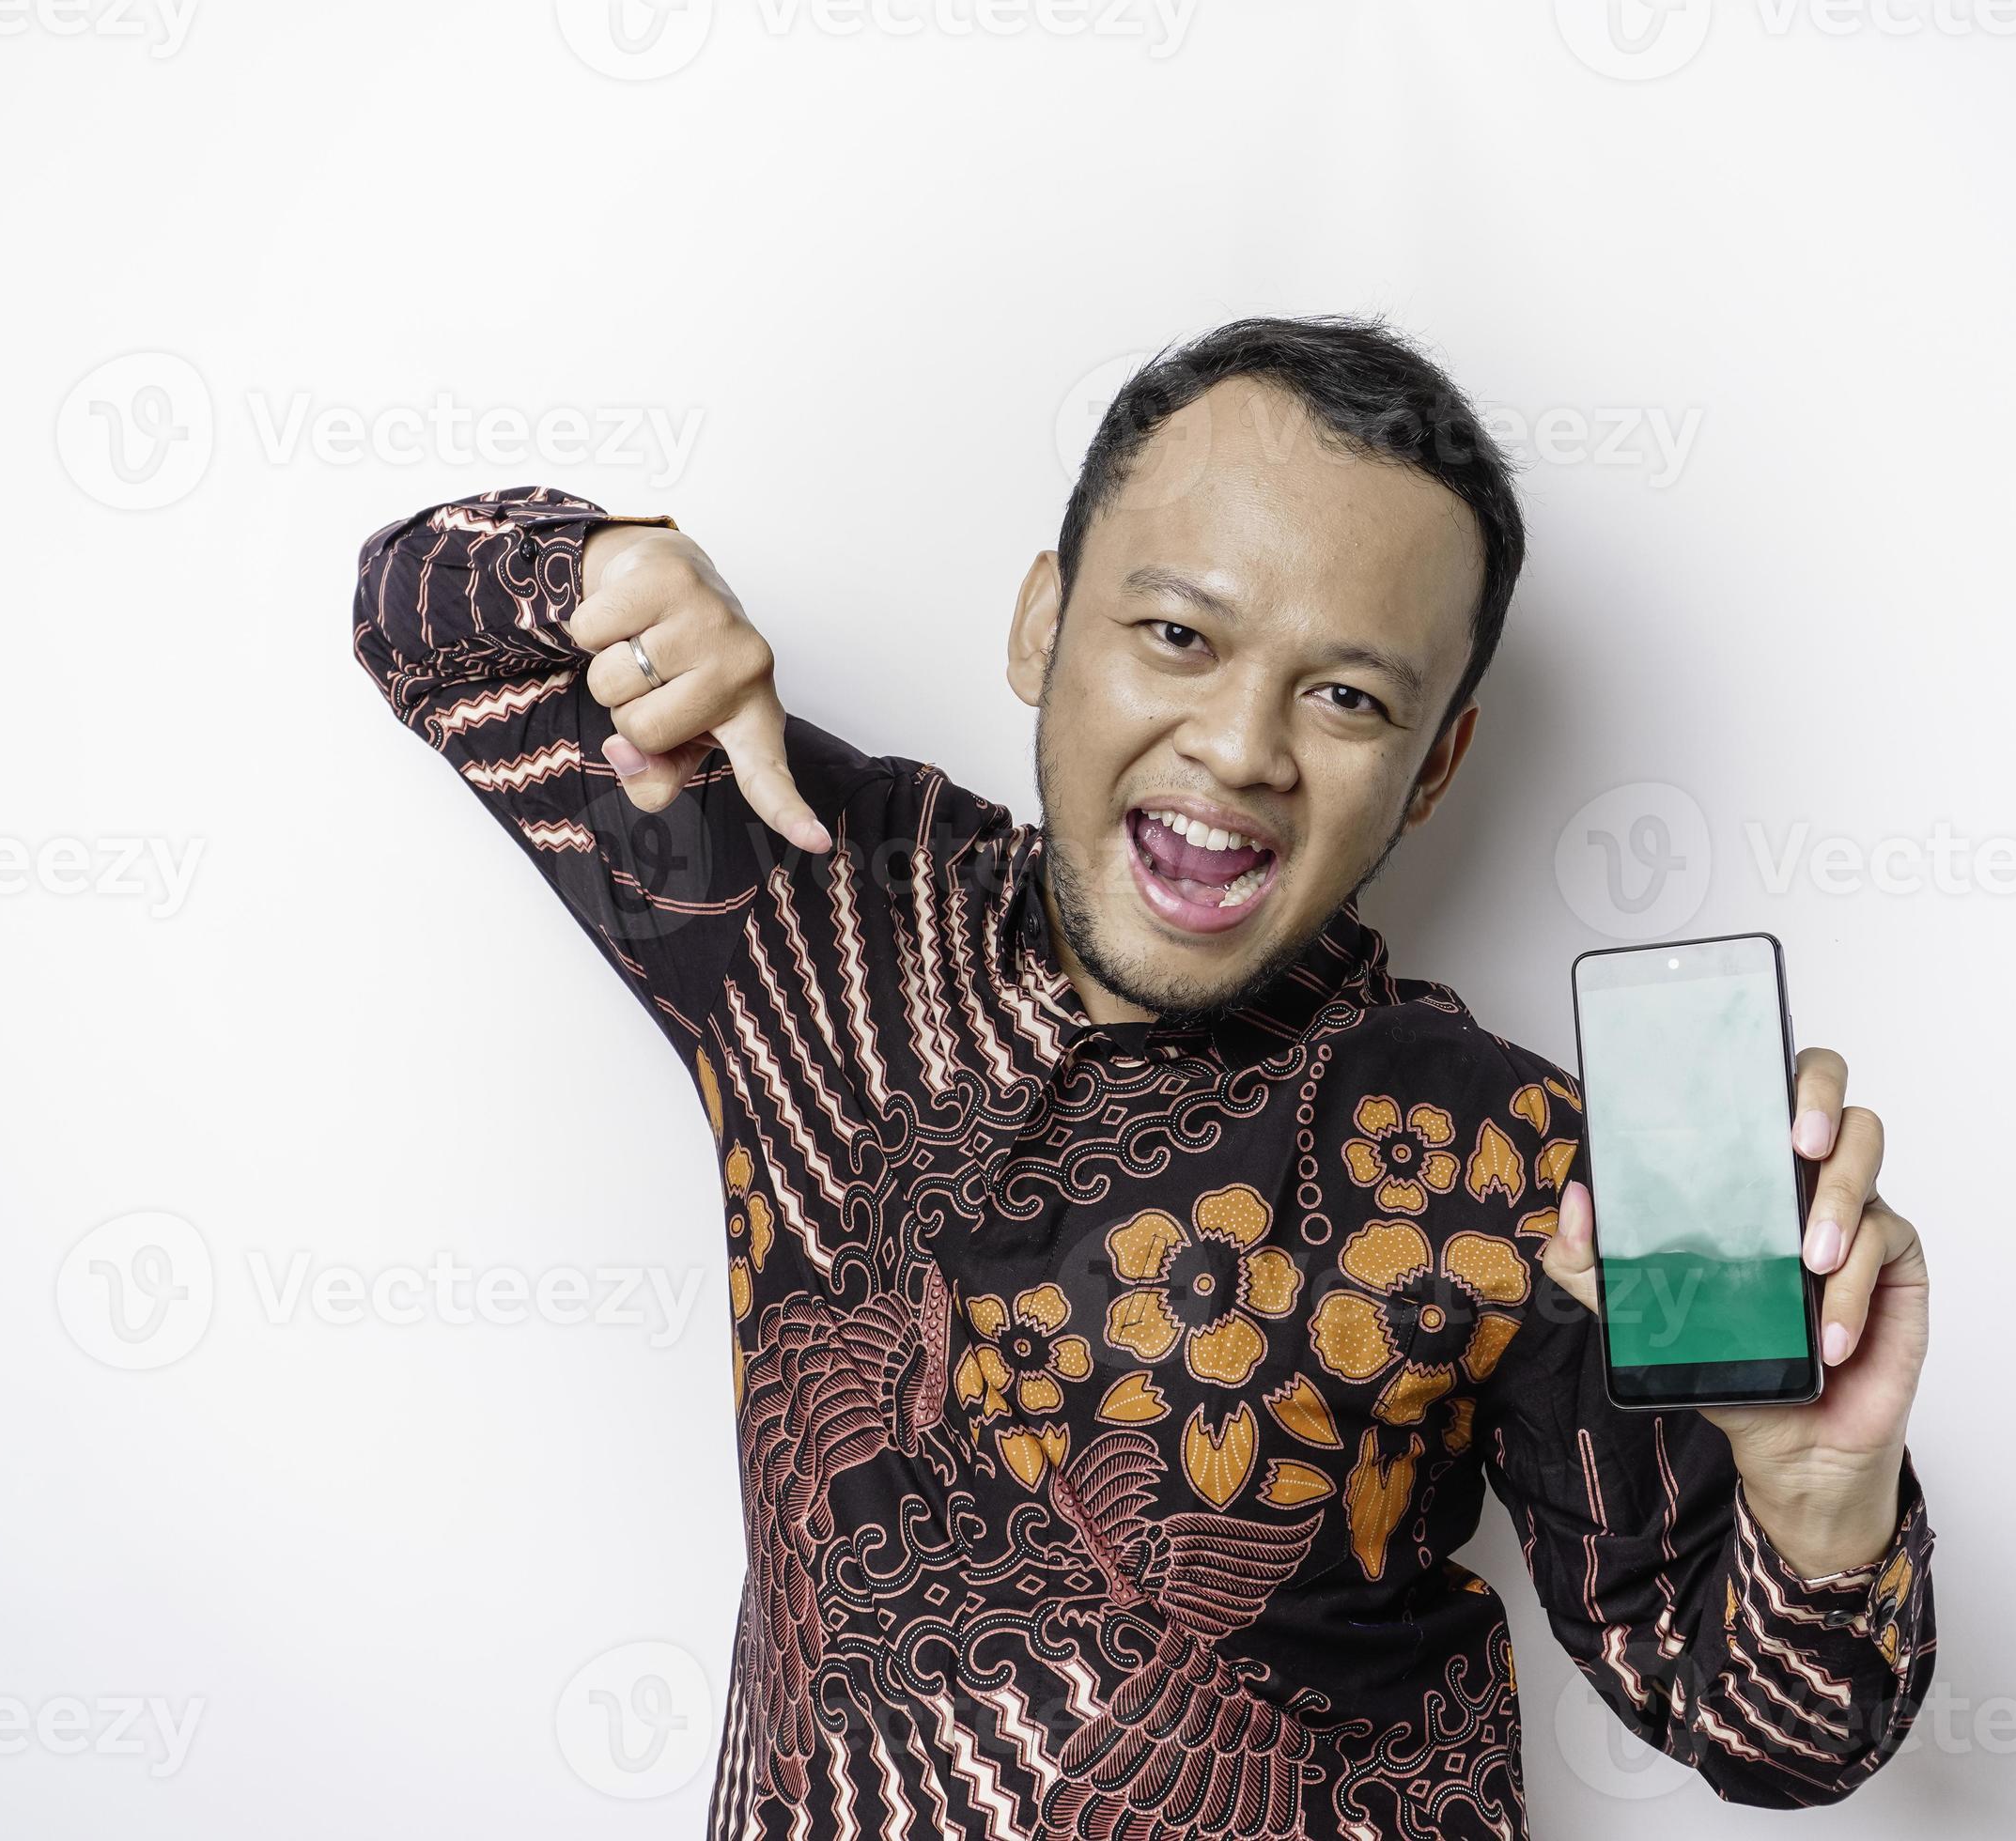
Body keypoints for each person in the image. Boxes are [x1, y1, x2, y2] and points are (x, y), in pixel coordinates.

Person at [352, 317, 1935, 1840]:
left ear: (1435, 765)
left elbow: (1776, 1737)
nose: (1242, 745)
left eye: (1349, 696)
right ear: (1044, 623)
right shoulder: (825, 903)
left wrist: (1821, 1504)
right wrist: (603, 571)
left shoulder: (1513, 1166)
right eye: (1178, 634)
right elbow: (415, 621)